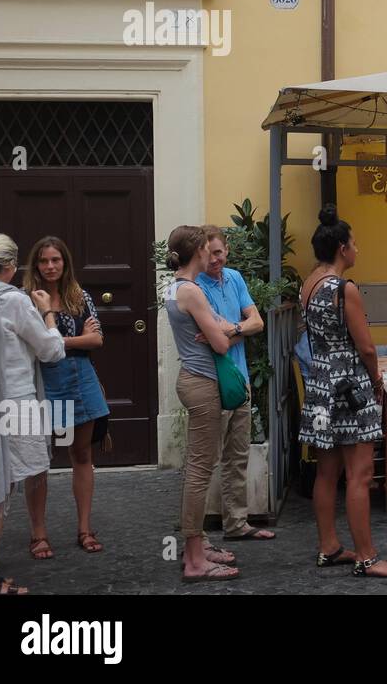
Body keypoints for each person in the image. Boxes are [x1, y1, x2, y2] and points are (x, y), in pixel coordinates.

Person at [299, 206, 387, 578]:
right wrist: (377, 380)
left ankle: (329, 547)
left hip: (319, 382)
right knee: (359, 474)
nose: (358, 250)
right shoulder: (345, 290)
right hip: (349, 386)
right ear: (342, 248)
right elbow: (367, 348)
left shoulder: (309, 284)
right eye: (355, 244)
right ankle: (367, 556)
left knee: (326, 473)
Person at [0, 233, 65, 595]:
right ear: (11, 267)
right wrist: (48, 314)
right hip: (13, 402)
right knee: (0, 485)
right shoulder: (12, 300)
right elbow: (50, 351)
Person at [164, 226, 246, 582]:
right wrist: (220, 327)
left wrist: (216, 327)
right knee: (200, 471)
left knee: (197, 468)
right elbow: (223, 344)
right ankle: (195, 558)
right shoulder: (193, 292)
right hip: (203, 384)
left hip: (192, 380)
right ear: (198, 252)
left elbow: (216, 334)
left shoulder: (175, 287)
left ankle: (198, 546)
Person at [22, 236, 110, 558]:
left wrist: (61, 341)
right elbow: (32, 347)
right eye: (44, 261)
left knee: (82, 455)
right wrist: (77, 338)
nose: (50, 266)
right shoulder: (25, 300)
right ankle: (38, 534)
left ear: (65, 262)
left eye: (55, 260)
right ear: (36, 264)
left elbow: (97, 340)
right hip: (43, 383)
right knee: (37, 462)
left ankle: (85, 529)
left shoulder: (79, 295)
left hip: (81, 379)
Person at [193, 226, 273, 542]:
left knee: (237, 456)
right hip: (212, 380)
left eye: (218, 251)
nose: (214, 259)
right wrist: (233, 330)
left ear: (227, 249)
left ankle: (237, 524)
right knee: (205, 460)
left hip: (238, 379)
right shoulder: (194, 286)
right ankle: (195, 534)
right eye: (208, 253)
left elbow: (258, 321)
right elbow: (213, 336)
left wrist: (231, 328)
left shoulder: (236, 278)